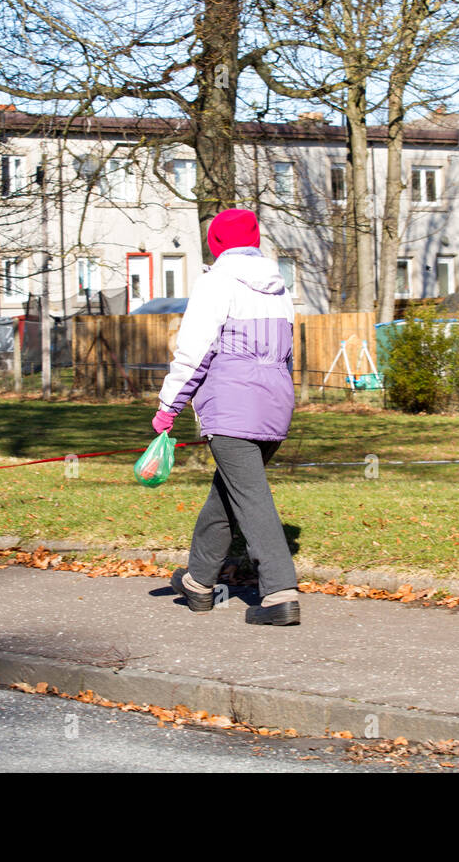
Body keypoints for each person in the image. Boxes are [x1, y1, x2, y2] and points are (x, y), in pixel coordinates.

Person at [153, 208, 300, 625]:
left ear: (215, 244)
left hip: (232, 409)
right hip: (275, 407)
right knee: (229, 495)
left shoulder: (215, 283)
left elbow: (193, 354)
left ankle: (279, 593)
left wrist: (168, 408)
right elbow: (287, 355)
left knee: (250, 498)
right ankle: (199, 582)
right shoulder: (279, 288)